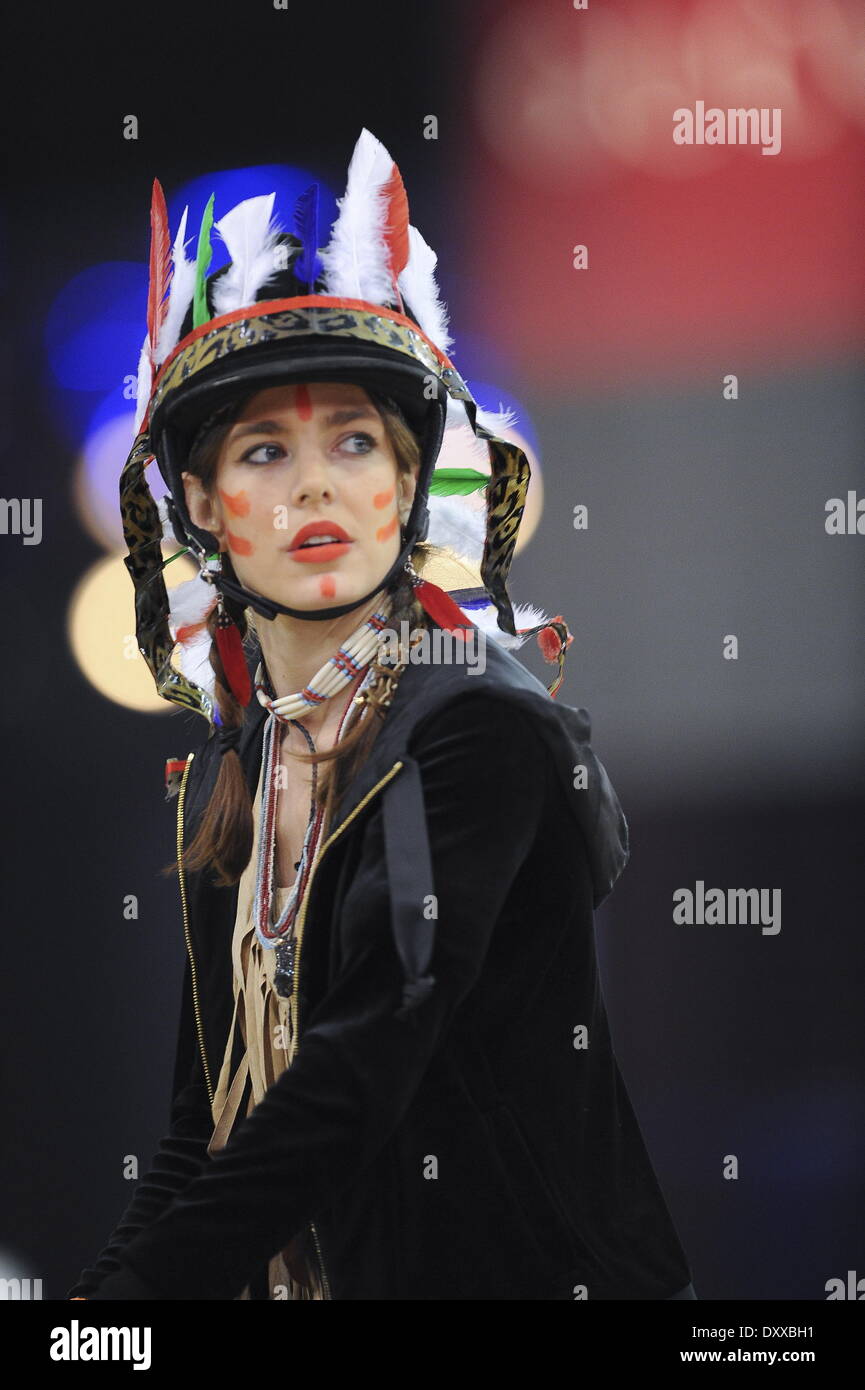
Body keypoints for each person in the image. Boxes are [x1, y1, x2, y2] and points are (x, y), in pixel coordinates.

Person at [68, 128, 696, 1300]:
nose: (315, 482)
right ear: (200, 503)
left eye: (354, 441)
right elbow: (194, 1142)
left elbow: (361, 1072)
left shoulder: (478, 720)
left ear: (405, 487)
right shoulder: (224, 781)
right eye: (265, 449)